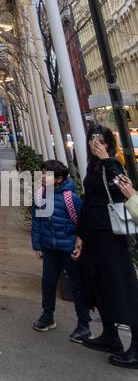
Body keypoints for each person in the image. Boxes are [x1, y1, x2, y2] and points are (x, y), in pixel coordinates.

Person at [77, 125, 138, 367]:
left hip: (111, 235)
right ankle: (110, 335)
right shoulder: (93, 166)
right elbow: (88, 200)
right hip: (94, 235)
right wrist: (80, 234)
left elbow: (123, 192)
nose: (95, 143)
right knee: (98, 284)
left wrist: (107, 160)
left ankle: (136, 344)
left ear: (108, 143)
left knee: (120, 286)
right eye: (92, 139)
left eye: (100, 140)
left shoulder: (112, 164)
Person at [30, 159, 91, 340]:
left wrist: (79, 245)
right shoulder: (40, 195)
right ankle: (47, 316)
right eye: (41, 172)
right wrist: (38, 245)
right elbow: (37, 222)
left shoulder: (72, 199)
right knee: (48, 283)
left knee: (77, 287)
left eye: (46, 174)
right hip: (50, 249)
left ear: (59, 179)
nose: (41, 176)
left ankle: (84, 324)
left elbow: (82, 225)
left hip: (69, 250)